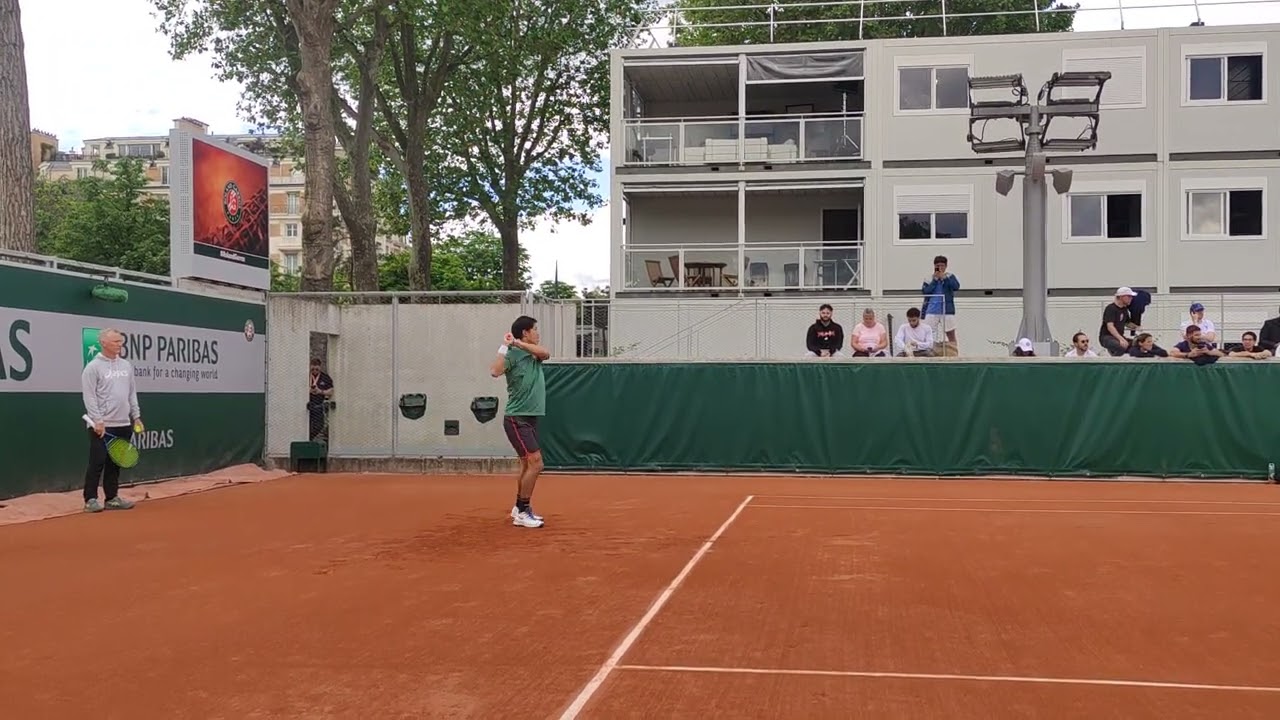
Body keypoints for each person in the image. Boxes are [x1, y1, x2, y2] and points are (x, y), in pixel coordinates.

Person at [490, 315, 551, 529]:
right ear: (525, 332)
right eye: (535, 329)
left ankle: (519, 507)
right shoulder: (512, 354)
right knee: (536, 463)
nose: (538, 333)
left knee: (527, 463)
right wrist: (504, 347)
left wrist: (517, 342)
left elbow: (546, 353)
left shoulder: (534, 354)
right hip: (517, 418)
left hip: (530, 417)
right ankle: (523, 512)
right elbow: (494, 371)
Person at [80, 328, 142, 513]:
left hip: (123, 423)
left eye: (121, 342)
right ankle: (90, 499)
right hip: (102, 425)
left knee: (115, 464)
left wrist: (136, 417)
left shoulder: (126, 366)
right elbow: (89, 397)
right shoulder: (92, 368)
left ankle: (112, 498)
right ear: (104, 343)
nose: (120, 345)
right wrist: (98, 420)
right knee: (97, 462)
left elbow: (131, 393)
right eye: (116, 341)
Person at [921, 255, 960, 350]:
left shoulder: (950, 276)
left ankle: (954, 352)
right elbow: (925, 291)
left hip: (946, 310)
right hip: (931, 310)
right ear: (934, 266)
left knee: (950, 333)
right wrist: (935, 280)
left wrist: (944, 278)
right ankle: (927, 352)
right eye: (938, 265)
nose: (940, 267)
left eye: (942, 265)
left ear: (946, 266)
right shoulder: (929, 278)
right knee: (927, 333)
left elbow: (956, 287)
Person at [1098, 287, 1137, 356]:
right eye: (1129, 296)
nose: (1131, 298)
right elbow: (1110, 326)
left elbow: (1127, 323)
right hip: (1107, 337)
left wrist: (1136, 327)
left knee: (1137, 346)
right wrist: (1121, 339)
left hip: (1118, 337)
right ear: (1121, 297)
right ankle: (1114, 362)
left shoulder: (1124, 309)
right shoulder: (1111, 308)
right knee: (1121, 346)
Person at [307, 358, 334, 441]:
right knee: (305, 426)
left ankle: (310, 439)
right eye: (313, 369)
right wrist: (308, 390)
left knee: (319, 426)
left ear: (320, 368)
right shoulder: (306, 376)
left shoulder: (325, 377)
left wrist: (320, 391)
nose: (314, 371)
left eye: (317, 369)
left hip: (318, 406)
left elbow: (331, 391)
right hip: (307, 406)